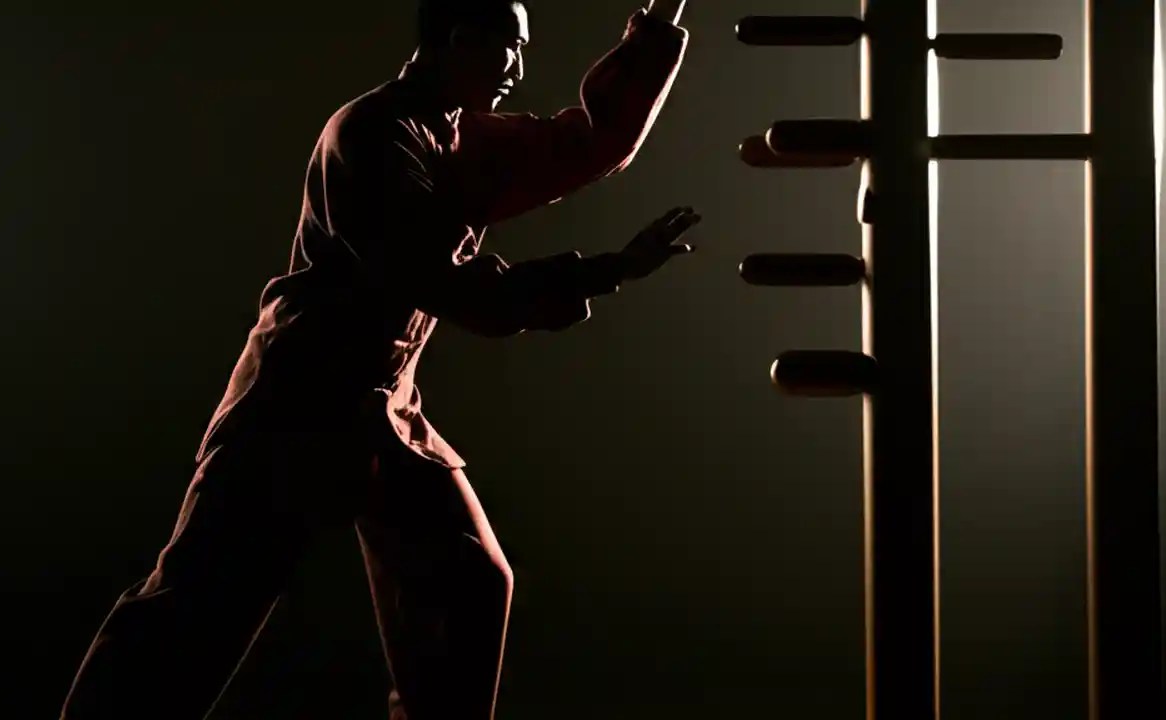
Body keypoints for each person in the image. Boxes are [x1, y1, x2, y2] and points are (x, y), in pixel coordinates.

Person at [60, 0, 697, 718]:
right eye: (510, 48)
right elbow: (440, 280)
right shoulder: (370, 135)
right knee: (192, 614)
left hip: (382, 414)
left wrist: (660, 14)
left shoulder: (458, 136)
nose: (520, 69)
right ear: (460, 40)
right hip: (296, 407)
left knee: (471, 581)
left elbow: (587, 139)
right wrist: (604, 268)